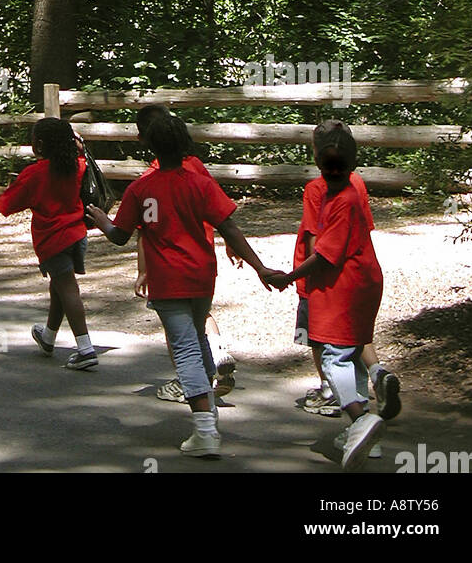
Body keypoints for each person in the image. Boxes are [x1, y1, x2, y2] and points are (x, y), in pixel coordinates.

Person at [86, 111, 282, 458]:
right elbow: (229, 227)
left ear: (147, 143)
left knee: (186, 350)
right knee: (197, 338)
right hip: (202, 277)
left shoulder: (141, 188)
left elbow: (120, 236)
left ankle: (205, 430)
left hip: (168, 281)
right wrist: (259, 267)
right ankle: (209, 412)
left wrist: (102, 219)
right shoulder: (200, 183)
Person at [268, 121, 386, 471]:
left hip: (341, 287)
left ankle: (359, 418)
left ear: (318, 161)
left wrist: (290, 277)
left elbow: (322, 253)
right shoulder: (352, 190)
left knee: (334, 359)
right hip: (365, 282)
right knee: (350, 354)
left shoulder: (337, 199)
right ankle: (365, 436)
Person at [0, 117, 97, 370]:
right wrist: (76, 141)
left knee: (67, 288)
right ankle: (48, 337)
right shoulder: (76, 166)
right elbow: (80, 152)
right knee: (59, 287)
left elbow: (10, 200)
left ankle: (86, 348)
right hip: (77, 236)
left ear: (40, 145)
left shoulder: (35, 174)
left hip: (53, 240)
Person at [296, 123, 401, 423]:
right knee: (352, 343)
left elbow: (316, 240)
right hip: (362, 277)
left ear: (317, 155)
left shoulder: (317, 189)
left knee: (324, 345)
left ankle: (335, 395)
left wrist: (295, 278)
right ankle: (377, 374)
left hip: (327, 282)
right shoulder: (356, 183)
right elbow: (364, 228)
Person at [133, 105, 237, 400]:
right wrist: (230, 242)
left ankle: (186, 381)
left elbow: (142, 230)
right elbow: (222, 212)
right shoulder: (196, 166)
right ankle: (216, 349)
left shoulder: (150, 179)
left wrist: (143, 271)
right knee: (201, 313)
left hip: (169, 265)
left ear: (145, 138)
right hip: (201, 256)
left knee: (176, 329)